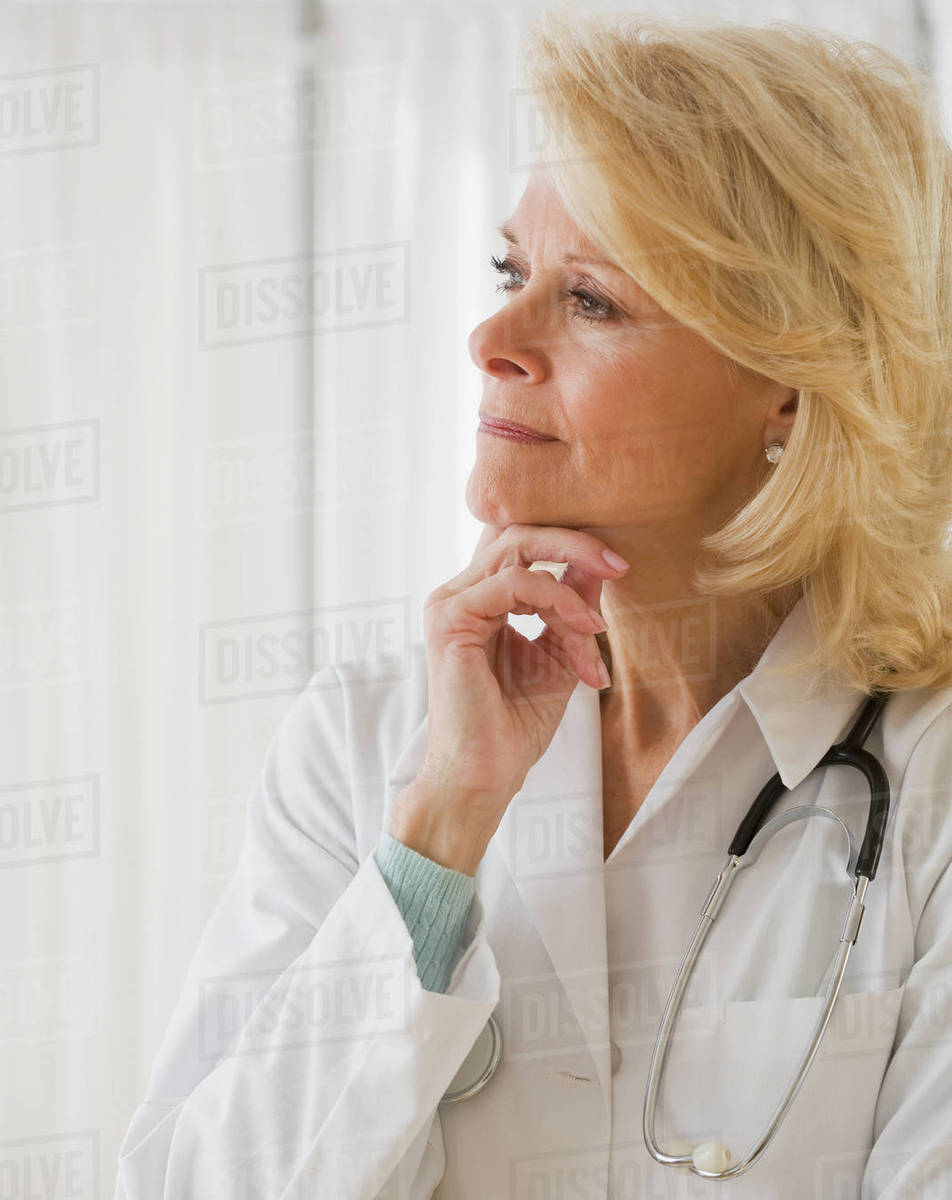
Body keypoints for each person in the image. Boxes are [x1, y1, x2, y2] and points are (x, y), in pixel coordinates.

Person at [114, 12, 952, 1198]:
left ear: (789, 386)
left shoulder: (929, 779)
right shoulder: (365, 748)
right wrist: (436, 838)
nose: (490, 338)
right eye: (512, 274)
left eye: (590, 301)